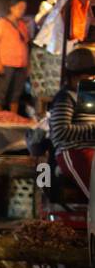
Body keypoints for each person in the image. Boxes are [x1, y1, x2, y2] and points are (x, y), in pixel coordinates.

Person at [49, 46, 95, 197]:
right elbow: (60, 131)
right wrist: (92, 129)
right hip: (73, 152)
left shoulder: (89, 96)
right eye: (86, 77)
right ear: (73, 77)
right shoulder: (65, 98)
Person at [0, 0, 30, 113]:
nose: (22, 11)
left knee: (16, 93)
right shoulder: (1, 23)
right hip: (6, 63)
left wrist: (28, 64)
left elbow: (26, 44)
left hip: (21, 64)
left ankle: (14, 118)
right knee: (1, 92)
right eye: (20, 8)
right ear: (12, 8)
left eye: (24, 9)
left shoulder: (23, 24)